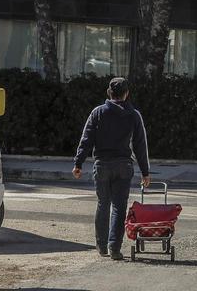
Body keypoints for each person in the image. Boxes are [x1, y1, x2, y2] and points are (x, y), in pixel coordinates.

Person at [72, 77, 151, 260]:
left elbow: (86, 140)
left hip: (102, 165)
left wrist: (78, 163)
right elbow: (140, 145)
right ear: (127, 94)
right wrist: (145, 172)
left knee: (103, 203)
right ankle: (115, 247)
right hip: (124, 166)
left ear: (109, 93)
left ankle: (101, 246)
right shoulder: (133, 115)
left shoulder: (98, 113)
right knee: (119, 207)